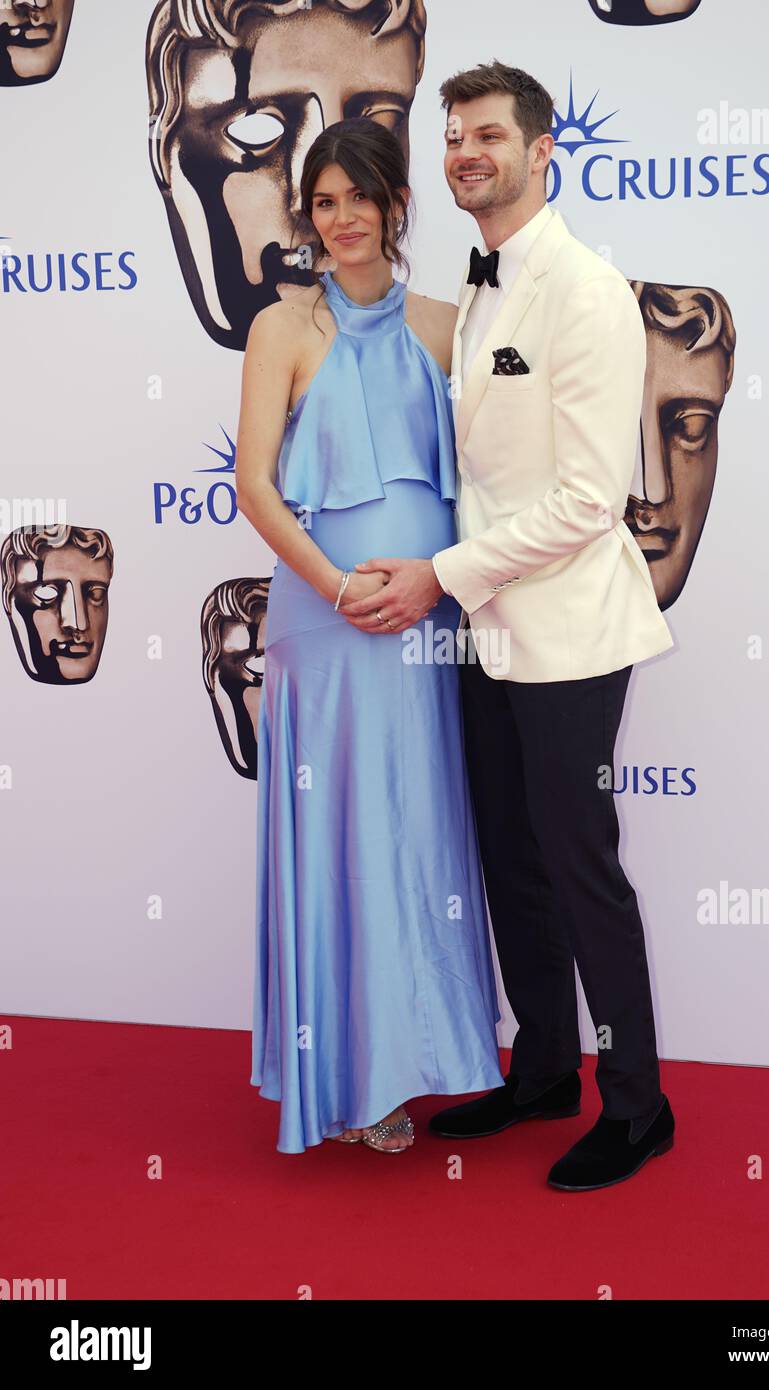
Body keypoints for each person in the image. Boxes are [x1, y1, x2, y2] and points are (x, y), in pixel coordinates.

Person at [345, 63, 676, 1191]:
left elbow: (589, 501)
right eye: (454, 138)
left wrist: (439, 573)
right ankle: (543, 1069)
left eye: (487, 134)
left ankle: (637, 1104)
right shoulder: (480, 281)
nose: (464, 153)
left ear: (543, 152)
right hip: (490, 628)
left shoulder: (584, 290)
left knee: (582, 869)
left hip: (568, 630)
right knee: (511, 859)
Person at [236, 117, 503, 1155]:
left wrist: (429, 589)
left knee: (417, 837)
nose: (341, 218)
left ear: (399, 205)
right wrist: (341, 585)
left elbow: (485, 480)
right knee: (342, 837)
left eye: (360, 197)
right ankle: (344, 1078)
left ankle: (418, 1059)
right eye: (324, 200)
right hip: (326, 622)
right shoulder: (281, 329)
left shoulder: (447, 325)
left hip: (426, 625)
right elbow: (258, 486)